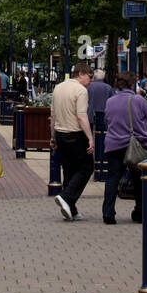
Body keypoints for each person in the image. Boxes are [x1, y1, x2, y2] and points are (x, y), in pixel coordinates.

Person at [101, 71, 147, 225]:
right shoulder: (138, 100)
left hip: (113, 145)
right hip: (135, 145)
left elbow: (107, 121)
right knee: (139, 179)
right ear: (132, 84)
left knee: (112, 178)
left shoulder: (110, 101)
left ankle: (108, 213)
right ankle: (140, 212)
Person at [51, 63, 94, 220]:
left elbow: (53, 115)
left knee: (69, 170)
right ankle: (67, 197)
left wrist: (52, 136)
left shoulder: (58, 88)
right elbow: (81, 116)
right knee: (86, 167)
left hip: (60, 134)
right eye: (90, 77)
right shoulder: (81, 91)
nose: (91, 81)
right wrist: (90, 138)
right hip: (75, 134)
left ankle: (71, 210)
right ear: (81, 74)